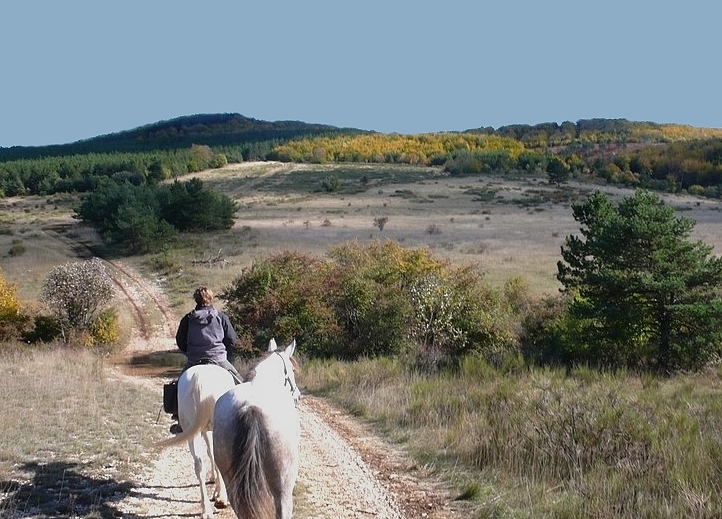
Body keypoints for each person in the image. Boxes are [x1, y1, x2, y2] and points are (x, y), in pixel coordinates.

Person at [170, 286, 243, 433]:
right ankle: (242, 415)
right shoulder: (221, 317)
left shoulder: (188, 318)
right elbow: (233, 340)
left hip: (194, 360)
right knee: (241, 383)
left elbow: (180, 341)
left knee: (178, 387)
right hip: (218, 358)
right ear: (211, 298)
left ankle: (178, 418)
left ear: (196, 299)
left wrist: (190, 352)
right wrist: (223, 351)